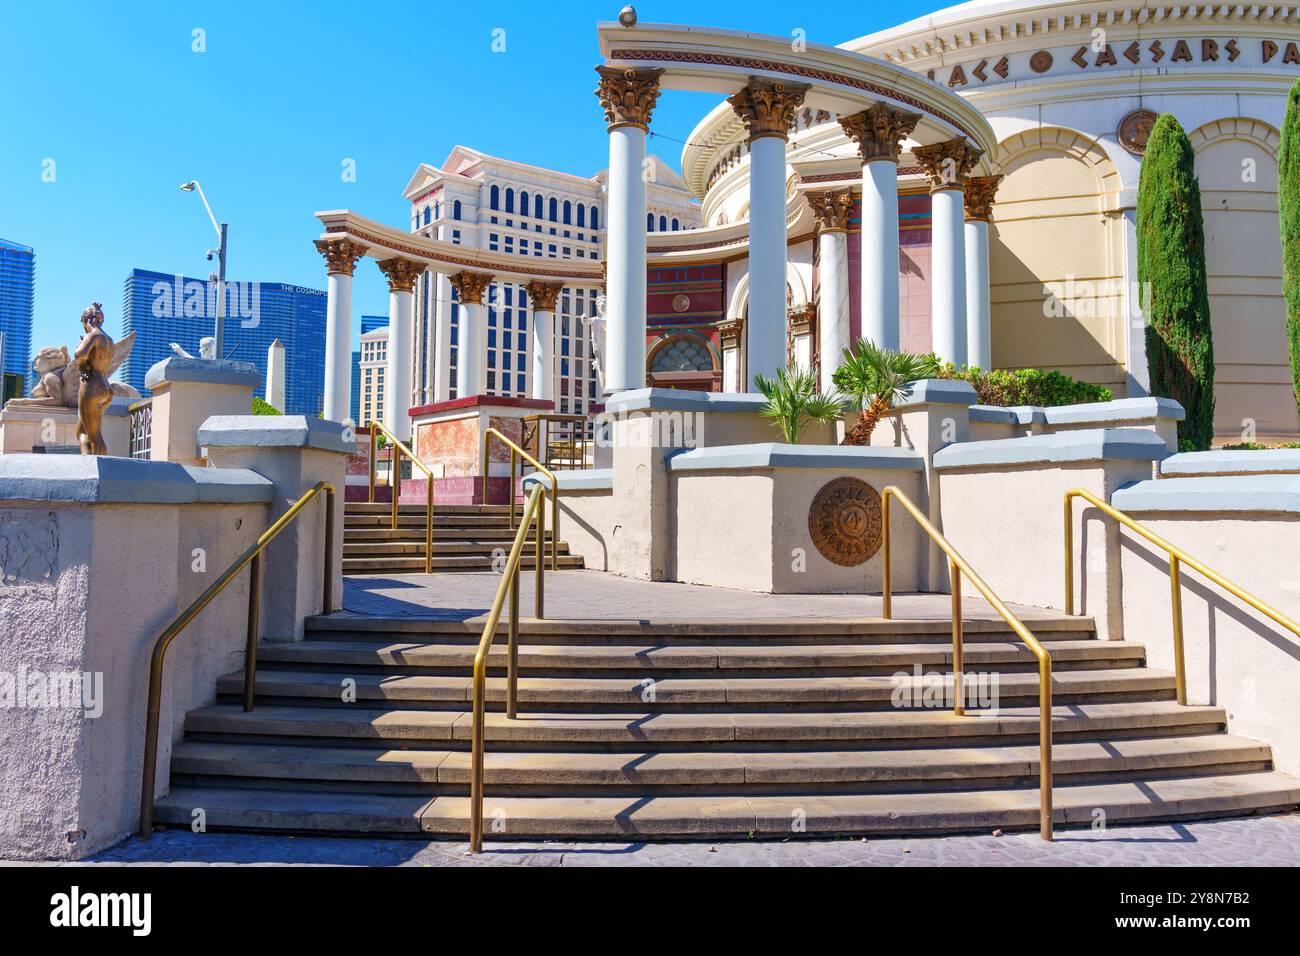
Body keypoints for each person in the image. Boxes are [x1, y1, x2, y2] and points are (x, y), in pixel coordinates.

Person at [73, 303, 114, 455]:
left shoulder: (93, 336)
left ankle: (92, 471)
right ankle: (87, 464)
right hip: (105, 387)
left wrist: (80, 344)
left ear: (85, 319)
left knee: (94, 438)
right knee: (82, 432)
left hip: (91, 386)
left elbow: (79, 355)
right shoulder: (109, 340)